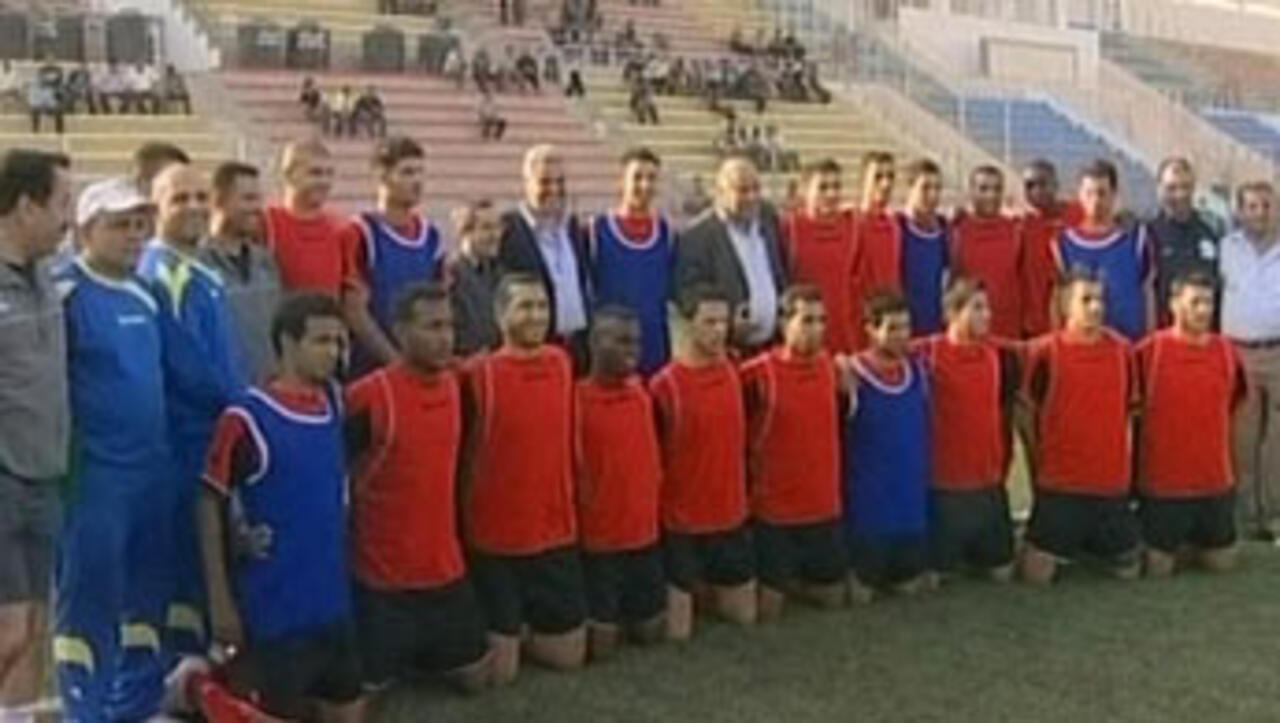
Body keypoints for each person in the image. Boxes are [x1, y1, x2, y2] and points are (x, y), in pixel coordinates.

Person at [199, 294, 365, 721]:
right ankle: (198, 687)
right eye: (321, 341)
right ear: (288, 344)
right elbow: (207, 501)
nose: (333, 352)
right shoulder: (246, 416)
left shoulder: (334, 401)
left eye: (339, 342)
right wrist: (221, 600)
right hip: (275, 611)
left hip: (331, 603)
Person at [55, 178, 172, 720]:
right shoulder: (66, 292)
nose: (132, 236)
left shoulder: (147, 291)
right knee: (89, 603)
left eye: (138, 225)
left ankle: (135, 705)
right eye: (118, 225)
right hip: (95, 477)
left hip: (151, 470)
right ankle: (86, 709)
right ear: (84, 231)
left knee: (146, 600)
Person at [346, 283, 493, 692]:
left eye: (449, 326)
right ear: (400, 331)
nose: (445, 336)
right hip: (383, 581)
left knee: (477, 679)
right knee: (368, 693)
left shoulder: (457, 385)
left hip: (445, 572)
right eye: (432, 327)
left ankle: (426, 651)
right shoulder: (369, 397)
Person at [137, 163, 243, 656]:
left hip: (210, 432)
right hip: (184, 438)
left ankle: (198, 666)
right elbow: (188, 365)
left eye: (202, 196)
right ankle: (180, 671)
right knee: (185, 554)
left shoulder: (198, 267)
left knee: (208, 553)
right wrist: (241, 406)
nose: (195, 206)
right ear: (154, 205)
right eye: (180, 198)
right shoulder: (162, 270)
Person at [461, 273, 588, 680]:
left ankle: (529, 628)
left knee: (570, 659)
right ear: (501, 316)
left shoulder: (561, 363)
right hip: (497, 539)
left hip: (555, 532)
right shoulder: (478, 375)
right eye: (525, 306)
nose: (537, 316)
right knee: (503, 673)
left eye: (542, 306)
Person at [0, 149, 71, 720]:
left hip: (44, 471)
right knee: (9, 629)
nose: (67, 218)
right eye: (61, 203)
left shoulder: (48, 276)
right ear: (26, 206)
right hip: (3, 475)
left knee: (34, 631)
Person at [1020, 269, 1140, 584]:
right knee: (1037, 576)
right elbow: (1025, 413)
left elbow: (1132, 410)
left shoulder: (1123, 351)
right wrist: (1040, 462)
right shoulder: (1044, 352)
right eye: (1086, 300)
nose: (1096, 307)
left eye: (1100, 299)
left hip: (1109, 485)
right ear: (1065, 305)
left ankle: (1094, 543)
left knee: (1131, 570)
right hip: (1061, 484)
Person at [650, 285, 755, 638]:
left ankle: (711, 589)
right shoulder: (665, 385)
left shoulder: (736, 371)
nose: (718, 330)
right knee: (678, 633)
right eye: (708, 322)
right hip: (683, 523)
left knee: (745, 616)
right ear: (688, 325)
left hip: (730, 516)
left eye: (723, 322)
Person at [741, 285, 847, 620]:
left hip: (822, 509)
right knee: (770, 610)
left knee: (834, 599)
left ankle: (804, 578)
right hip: (776, 514)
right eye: (807, 320)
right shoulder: (757, 374)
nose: (817, 329)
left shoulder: (834, 369)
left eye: (822, 321)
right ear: (784, 323)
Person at [1137, 271, 1245, 575]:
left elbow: (1234, 403)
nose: (1203, 311)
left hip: (1213, 482)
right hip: (1164, 486)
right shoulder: (1150, 352)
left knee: (1221, 565)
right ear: (1174, 304)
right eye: (1194, 302)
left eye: (1209, 302)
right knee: (1158, 569)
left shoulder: (1226, 351)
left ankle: (1196, 539)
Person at [575, 306, 667, 659]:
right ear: (596, 342)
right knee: (602, 647)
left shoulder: (643, 393)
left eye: (637, 342)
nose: (633, 349)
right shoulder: (575, 399)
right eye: (622, 341)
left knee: (653, 633)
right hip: (599, 545)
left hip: (644, 538)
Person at [915, 278, 1019, 583]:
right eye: (977, 308)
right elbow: (876, 359)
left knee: (1002, 574)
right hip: (946, 489)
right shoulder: (926, 353)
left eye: (987, 308)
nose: (987, 315)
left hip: (989, 487)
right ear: (952, 312)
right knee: (935, 578)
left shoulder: (999, 354)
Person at [841, 291, 932, 599]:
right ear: (870, 329)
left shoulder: (919, 370)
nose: (901, 336)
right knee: (860, 596)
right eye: (892, 328)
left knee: (910, 590)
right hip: (869, 518)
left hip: (911, 516)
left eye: (906, 327)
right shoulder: (852, 373)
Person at [340, 137, 444, 371]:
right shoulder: (362, 233)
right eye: (407, 173)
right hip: (373, 371)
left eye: (420, 172)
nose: (417, 181)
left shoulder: (431, 237)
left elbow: (440, 304)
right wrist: (396, 363)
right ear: (382, 177)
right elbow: (355, 312)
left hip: (421, 367)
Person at [675, 155, 786, 353]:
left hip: (771, 347)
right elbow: (688, 294)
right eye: (742, 190)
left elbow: (781, 273)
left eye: (756, 189)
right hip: (726, 352)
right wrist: (725, 323)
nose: (752, 197)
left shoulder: (769, 222)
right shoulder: (696, 237)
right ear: (720, 193)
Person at [1220, 181, 1280, 541]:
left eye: (1266, 206)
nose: (1260, 213)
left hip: (1278, 352)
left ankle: (1273, 515)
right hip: (1238, 354)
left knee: (1276, 440)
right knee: (1240, 438)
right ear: (1240, 211)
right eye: (1252, 206)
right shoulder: (1228, 248)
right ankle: (1243, 515)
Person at [498, 145, 591, 363]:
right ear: (526, 184)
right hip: (533, 349)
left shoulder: (572, 227)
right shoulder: (508, 229)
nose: (554, 189)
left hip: (576, 347)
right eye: (545, 182)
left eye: (560, 182)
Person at [590, 147, 674, 376]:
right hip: (611, 351)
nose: (645, 185)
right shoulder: (596, 230)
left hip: (655, 349)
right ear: (621, 182)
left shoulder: (667, 233)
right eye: (637, 177)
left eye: (651, 178)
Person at [202, 161, 283, 383]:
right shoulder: (198, 265)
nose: (257, 207)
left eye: (259, 199)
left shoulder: (265, 261)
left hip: (266, 394)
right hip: (221, 399)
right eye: (248, 199)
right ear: (218, 201)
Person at [1055, 159, 1153, 342]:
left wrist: (1149, 341)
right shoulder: (1064, 243)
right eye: (1089, 193)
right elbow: (1058, 301)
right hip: (1083, 348)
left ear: (1114, 194)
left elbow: (1147, 292)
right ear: (1079, 195)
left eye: (1102, 193)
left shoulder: (1136, 239)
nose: (1096, 201)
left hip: (1129, 347)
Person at [782, 158, 860, 353]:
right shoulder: (790, 228)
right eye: (823, 188)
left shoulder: (853, 227)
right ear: (805, 192)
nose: (832, 194)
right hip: (804, 340)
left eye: (836, 187)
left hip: (845, 340)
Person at [264, 140, 352, 299]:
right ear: (289, 175)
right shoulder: (267, 224)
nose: (324, 181)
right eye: (315, 173)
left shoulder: (340, 229)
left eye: (329, 173)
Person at [1146, 157, 1222, 323]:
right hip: (1164, 335)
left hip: (1204, 336)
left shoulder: (1211, 233)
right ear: (1159, 189)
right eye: (1171, 188)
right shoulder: (1146, 234)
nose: (1180, 195)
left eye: (1185, 187)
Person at [951, 165, 1022, 340]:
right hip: (970, 334)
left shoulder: (1016, 230)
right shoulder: (956, 231)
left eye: (997, 189)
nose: (991, 195)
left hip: (1008, 335)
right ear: (971, 192)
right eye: (983, 189)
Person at [1019, 159, 1081, 338]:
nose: (1037, 191)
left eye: (1042, 184)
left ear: (1056, 185)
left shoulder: (1078, 215)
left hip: (1071, 324)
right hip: (1034, 327)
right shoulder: (1024, 225)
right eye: (1030, 186)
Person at [898, 159, 949, 337]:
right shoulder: (897, 227)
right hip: (903, 331)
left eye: (937, 188)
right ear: (910, 188)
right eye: (926, 188)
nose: (933, 195)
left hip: (936, 330)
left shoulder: (945, 229)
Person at [449, 199, 504, 357]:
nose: (495, 235)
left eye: (498, 227)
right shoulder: (451, 275)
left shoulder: (496, 273)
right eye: (487, 228)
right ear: (465, 232)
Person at [855, 151, 902, 295]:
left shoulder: (895, 226)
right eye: (878, 177)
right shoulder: (850, 223)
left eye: (890, 177)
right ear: (863, 181)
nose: (885, 184)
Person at [27, 60, 64, 135]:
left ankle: (59, 133)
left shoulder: (52, 88)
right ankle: (35, 131)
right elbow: (33, 101)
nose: (43, 79)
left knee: (59, 111)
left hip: (49, 106)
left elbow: (53, 101)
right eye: (42, 77)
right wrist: (38, 105)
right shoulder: (35, 87)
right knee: (34, 111)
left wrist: (52, 105)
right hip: (39, 105)